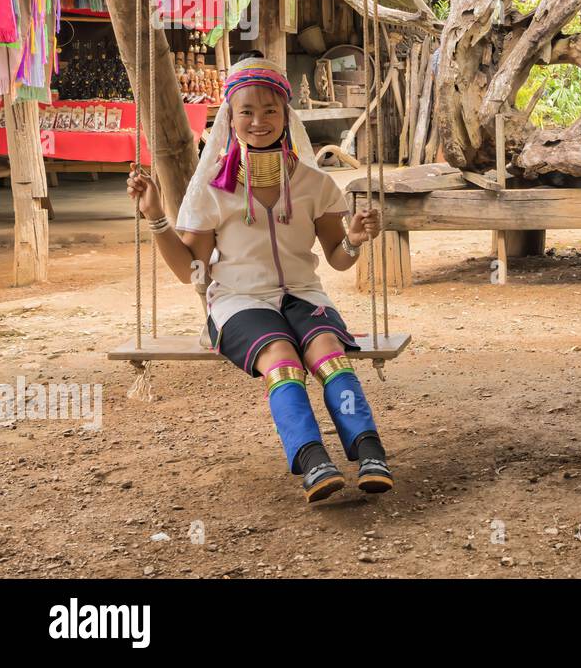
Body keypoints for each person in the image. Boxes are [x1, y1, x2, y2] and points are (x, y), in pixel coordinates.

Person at [126, 57, 393, 503]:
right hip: (237, 302)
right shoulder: (214, 187)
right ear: (229, 118)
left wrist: (353, 240)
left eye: (270, 110)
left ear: (287, 115)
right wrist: (156, 217)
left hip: (303, 295)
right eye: (246, 111)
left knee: (330, 355)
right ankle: (313, 461)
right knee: (281, 358)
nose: (258, 121)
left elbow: (337, 259)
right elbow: (189, 269)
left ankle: (369, 451)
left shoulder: (315, 184)